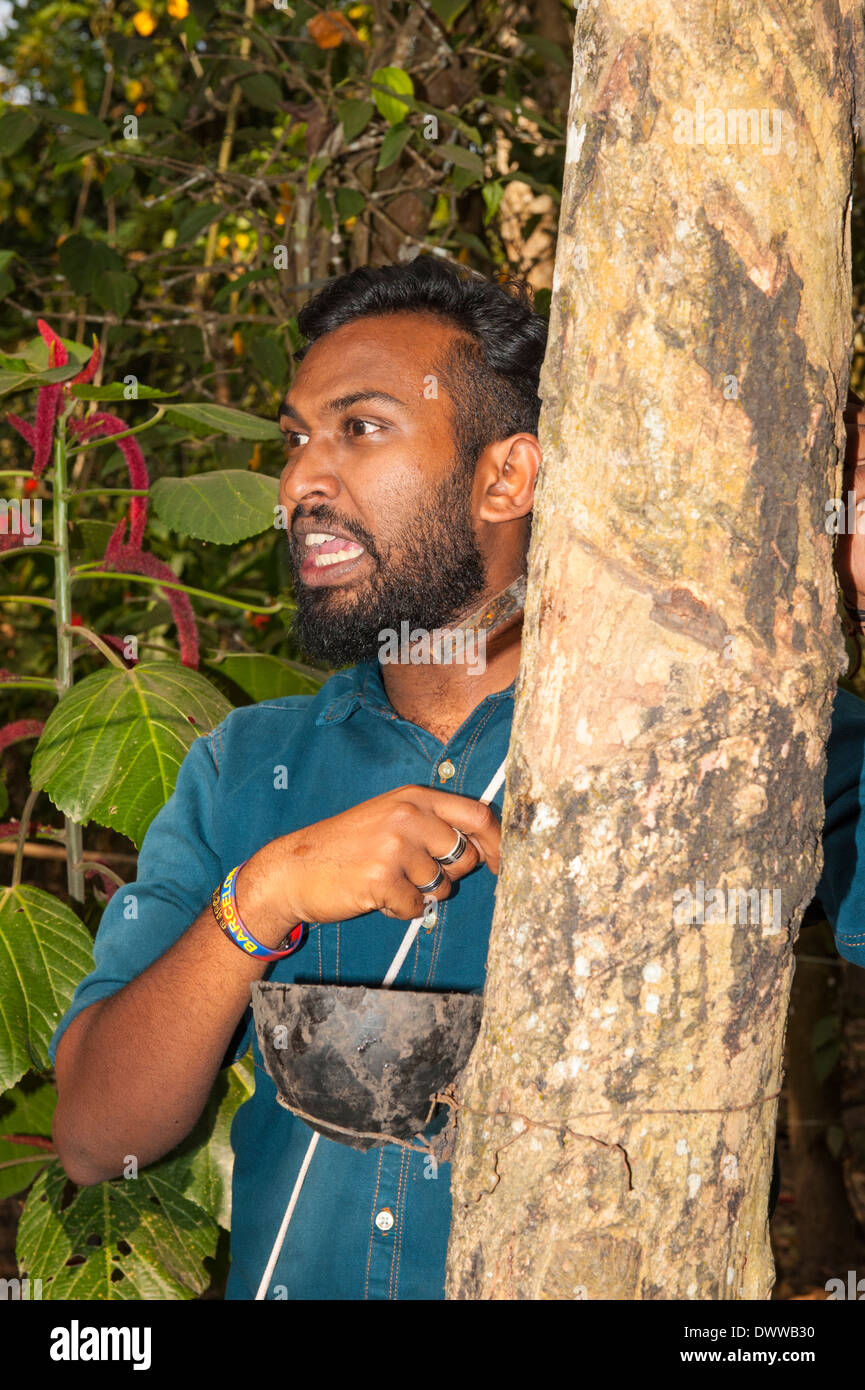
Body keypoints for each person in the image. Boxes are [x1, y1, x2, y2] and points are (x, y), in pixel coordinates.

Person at [50, 256, 865, 1300]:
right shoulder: (244, 769)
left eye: (361, 426)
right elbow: (95, 1135)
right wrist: (262, 898)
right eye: (297, 437)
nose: (302, 479)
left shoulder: (723, 739)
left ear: (507, 477)